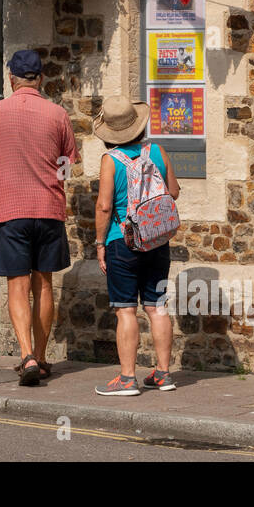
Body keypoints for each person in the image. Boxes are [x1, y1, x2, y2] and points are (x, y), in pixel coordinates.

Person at [0, 49, 76, 387]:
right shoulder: (57, 114)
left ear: (11, 79)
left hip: (10, 210)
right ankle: (43, 357)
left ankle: (27, 355)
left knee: (17, 284)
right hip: (48, 208)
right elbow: (68, 166)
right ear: (41, 78)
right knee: (43, 282)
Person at [92, 97, 180, 396]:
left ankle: (127, 379)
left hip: (123, 241)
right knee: (157, 307)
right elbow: (174, 192)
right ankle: (163, 374)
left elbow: (104, 207)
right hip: (157, 240)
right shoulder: (156, 150)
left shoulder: (111, 161)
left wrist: (100, 243)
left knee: (126, 310)